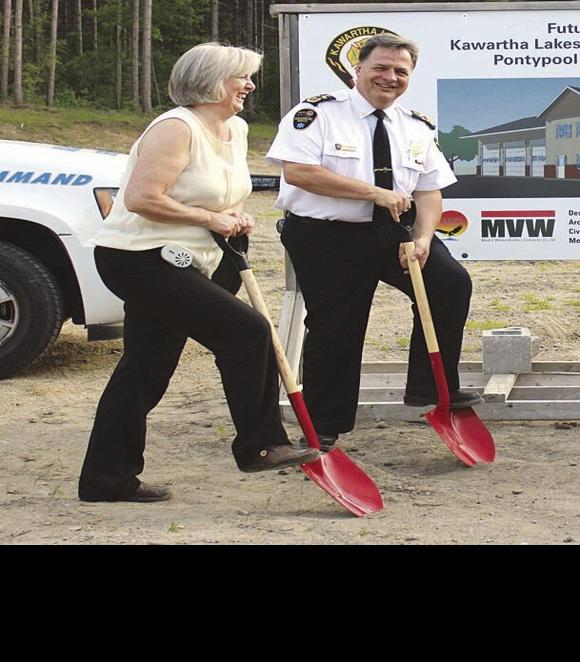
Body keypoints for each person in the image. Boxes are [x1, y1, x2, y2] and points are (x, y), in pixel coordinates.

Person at [80, 43, 319, 503]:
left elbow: (219, 191)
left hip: (196, 258)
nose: (249, 85)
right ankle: (261, 446)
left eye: (250, 76)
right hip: (139, 258)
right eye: (241, 77)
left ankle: (106, 479)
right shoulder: (175, 127)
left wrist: (233, 214)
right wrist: (212, 219)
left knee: (145, 369)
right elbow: (142, 198)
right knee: (249, 332)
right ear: (210, 80)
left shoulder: (236, 127)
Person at [266, 34, 477, 451]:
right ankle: (324, 426)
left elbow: (430, 191)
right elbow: (299, 173)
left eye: (401, 71)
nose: (390, 77)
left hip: (395, 232)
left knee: (449, 284)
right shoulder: (318, 114)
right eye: (381, 67)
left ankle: (432, 389)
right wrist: (373, 193)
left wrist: (422, 239)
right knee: (336, 326)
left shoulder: (415, 126)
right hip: (327, 235)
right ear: (357, 70)